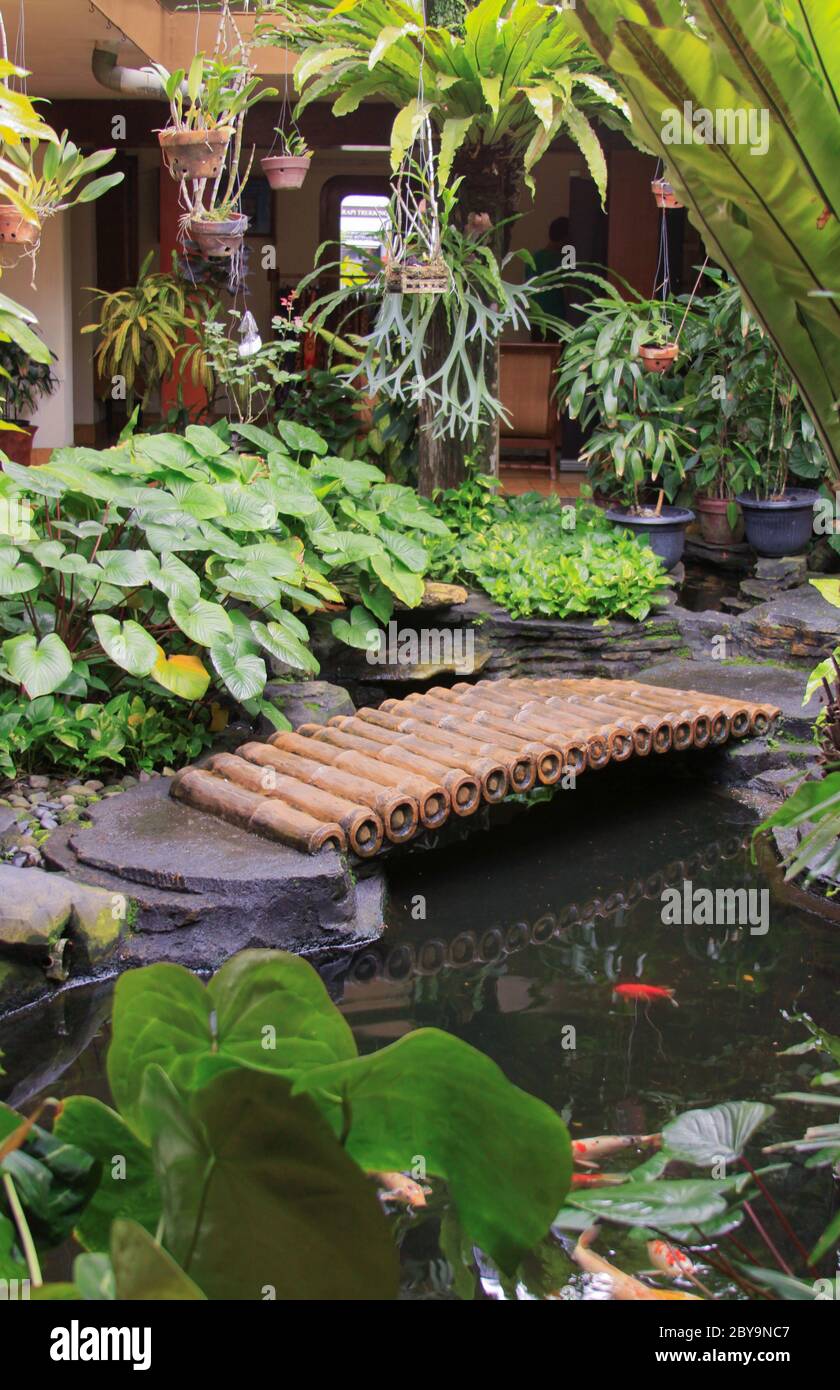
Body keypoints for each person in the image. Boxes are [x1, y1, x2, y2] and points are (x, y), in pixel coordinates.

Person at [529, 216, 569, 341]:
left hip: (536, 319)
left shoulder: (533, 259)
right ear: (566, 238)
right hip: (557, 320)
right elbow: (568, 290)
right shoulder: (562, 261)